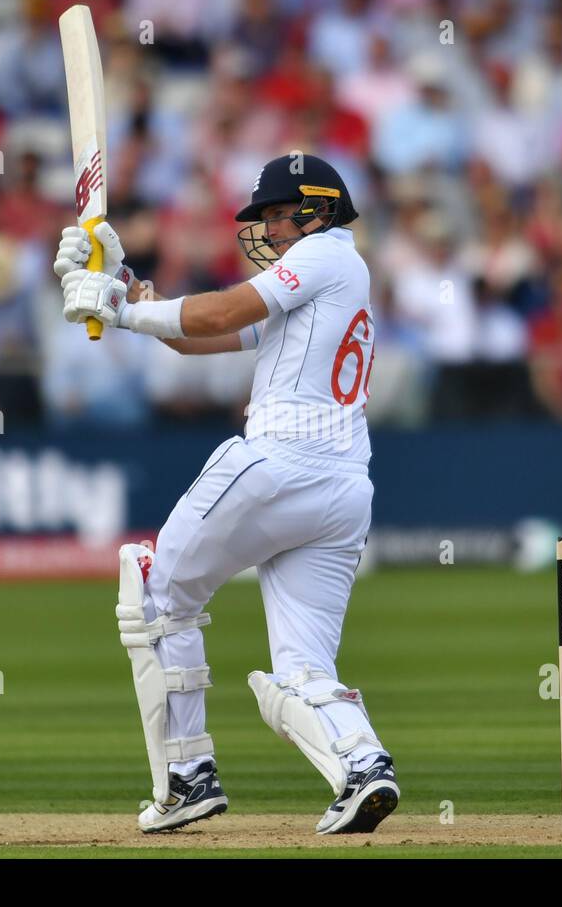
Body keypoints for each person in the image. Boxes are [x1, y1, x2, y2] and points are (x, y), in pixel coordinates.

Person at [53, 154, 398, 835]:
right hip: (341, 488)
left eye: (275, 214)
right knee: (302, 666)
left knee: (154, 595)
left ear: (317, 209)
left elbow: (217, 314)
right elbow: (196, 337)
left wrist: (114, 307)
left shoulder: (327, 258)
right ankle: (363, 766)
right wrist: (120, 281)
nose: (266, 228)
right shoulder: (327, 280)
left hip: (280, 463)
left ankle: (187, 778)